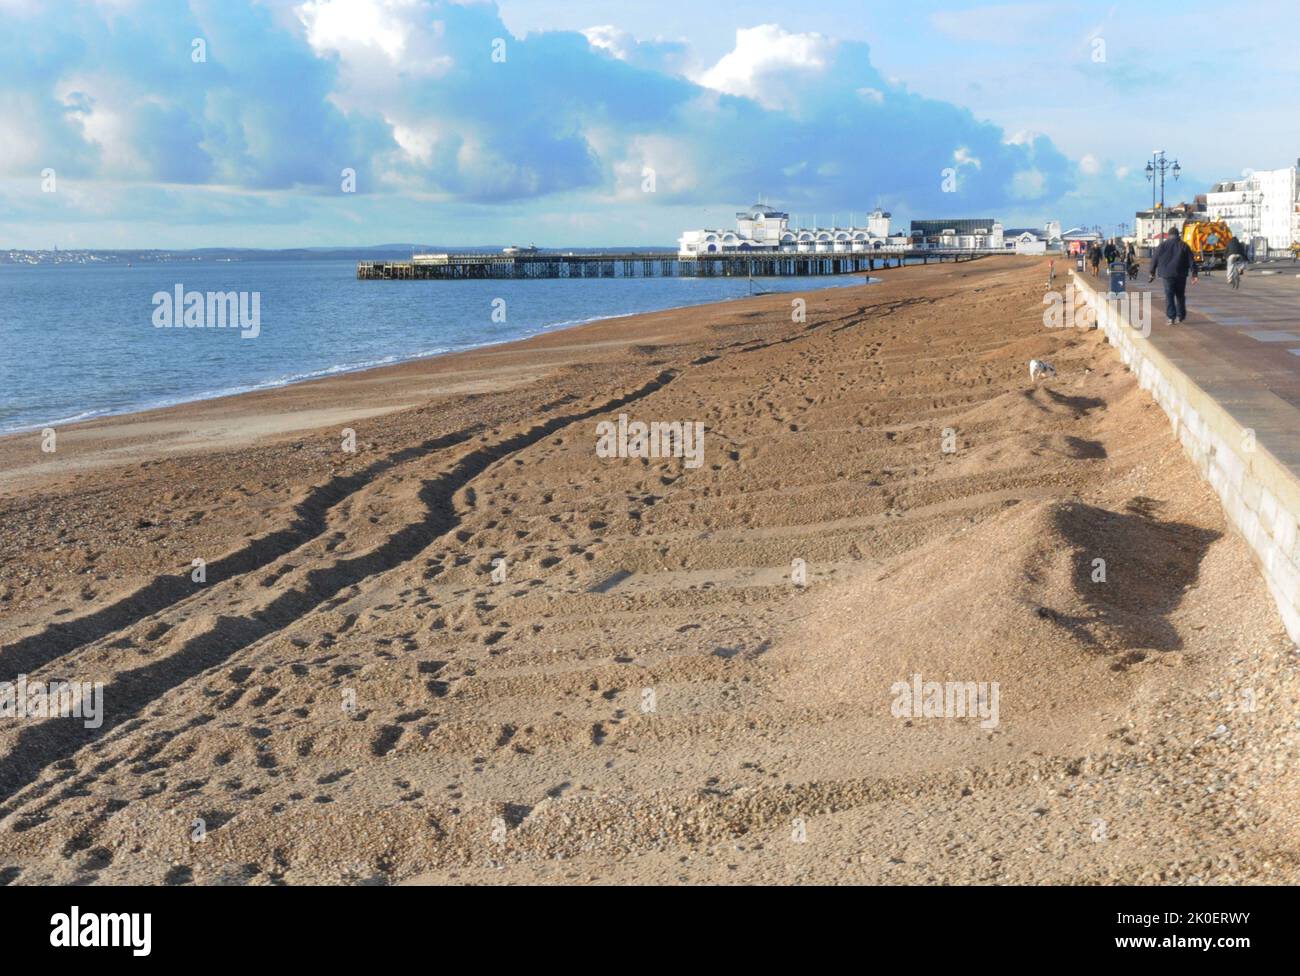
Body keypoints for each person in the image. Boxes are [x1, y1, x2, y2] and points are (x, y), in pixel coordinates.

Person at [1148, 227, 1198, 325]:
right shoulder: (1184, 245)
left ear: (1169, 235)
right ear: (1177, 235)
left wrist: (1152, 272)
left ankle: (1171, 317)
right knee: (1180, 295)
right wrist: (1194, 274)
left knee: (1169, 295)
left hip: (1167, 274)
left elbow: (1154, 259)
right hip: (1181, 274)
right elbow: (1191, 260)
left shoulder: (1162, 246)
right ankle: (1181, 316)